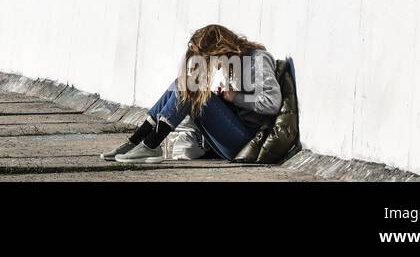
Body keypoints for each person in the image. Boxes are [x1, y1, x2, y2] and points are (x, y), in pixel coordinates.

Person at [100, 24, 283, 164]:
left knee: (191, 85)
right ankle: (135, 141)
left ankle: (151, 145)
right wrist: (225, 101)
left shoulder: (257, 59)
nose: (213, 65)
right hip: (232, 137)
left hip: (244, 144)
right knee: (181, 83)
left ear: (221, 49)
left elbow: (272, 102)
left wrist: (235, 98)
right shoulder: (234, 63)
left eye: (211, 59)